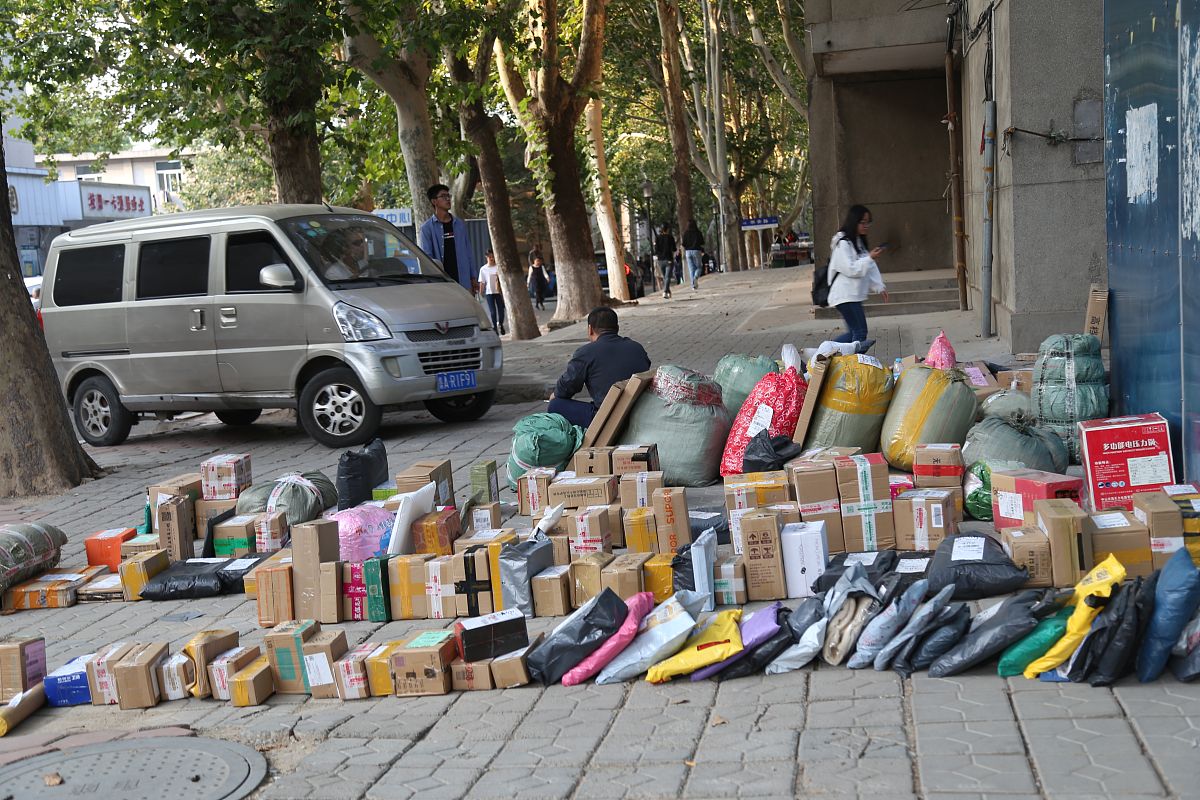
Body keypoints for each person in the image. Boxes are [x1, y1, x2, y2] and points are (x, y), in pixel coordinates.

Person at [547, 307, 651, 426]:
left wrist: (555, 394)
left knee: (555, 405)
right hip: (637, 410)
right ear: (617, 328)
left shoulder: (585, 352)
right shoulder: (637, 348)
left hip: (606, 418)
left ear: (590, 329)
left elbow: (567, 387)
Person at [827, 204, 889, 353]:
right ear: (854, 221)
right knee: (860, 333)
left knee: (853, 334)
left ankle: (823, 354)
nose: (866, 226)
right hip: (845, 296)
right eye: (862, 222)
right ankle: (826, 354)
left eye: (868, 222)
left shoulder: (858, 242)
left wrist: (879, 286)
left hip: (852, 295)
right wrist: (869, 257)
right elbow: (851, 269)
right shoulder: (843, 243)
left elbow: (869, 266)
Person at [417, 184, 477, 293]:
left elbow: (468, 253)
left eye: (448, 196)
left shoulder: (459, 225)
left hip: (463, 282)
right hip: (442, 284)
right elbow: (427, 257)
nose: (448, 199)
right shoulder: (426, 229)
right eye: (443, 196)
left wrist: (473, 277)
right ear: (434, 201)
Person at [477, 249, 506, 335]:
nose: (492, 258)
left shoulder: (498, 267)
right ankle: (495, 328)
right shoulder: (483, 269)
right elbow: (482, 282)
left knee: (501, 311)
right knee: (492, 312)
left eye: (493, 256)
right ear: (486, 257)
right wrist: (481, 292)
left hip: (499, 292)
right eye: (490, 257)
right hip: (489, 293)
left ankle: (500, 324)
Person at [654, 225, 676, 299]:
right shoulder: (670, 237)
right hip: (668, 259)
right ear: (667, 229)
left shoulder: (657, 238)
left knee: (665, 277)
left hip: (660, 260)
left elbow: (655, 250)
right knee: (667, 277)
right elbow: (674, 249)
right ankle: (665, 291)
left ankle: (668, 292)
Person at [681, 218, 704, 290]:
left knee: (691, 269)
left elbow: (683, 244)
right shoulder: (698, 232)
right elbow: (702, 242)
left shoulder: (686, 233)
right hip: (696, 251)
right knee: (699, 267)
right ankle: (696, 277)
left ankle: (693, 286)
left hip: (688, 252)